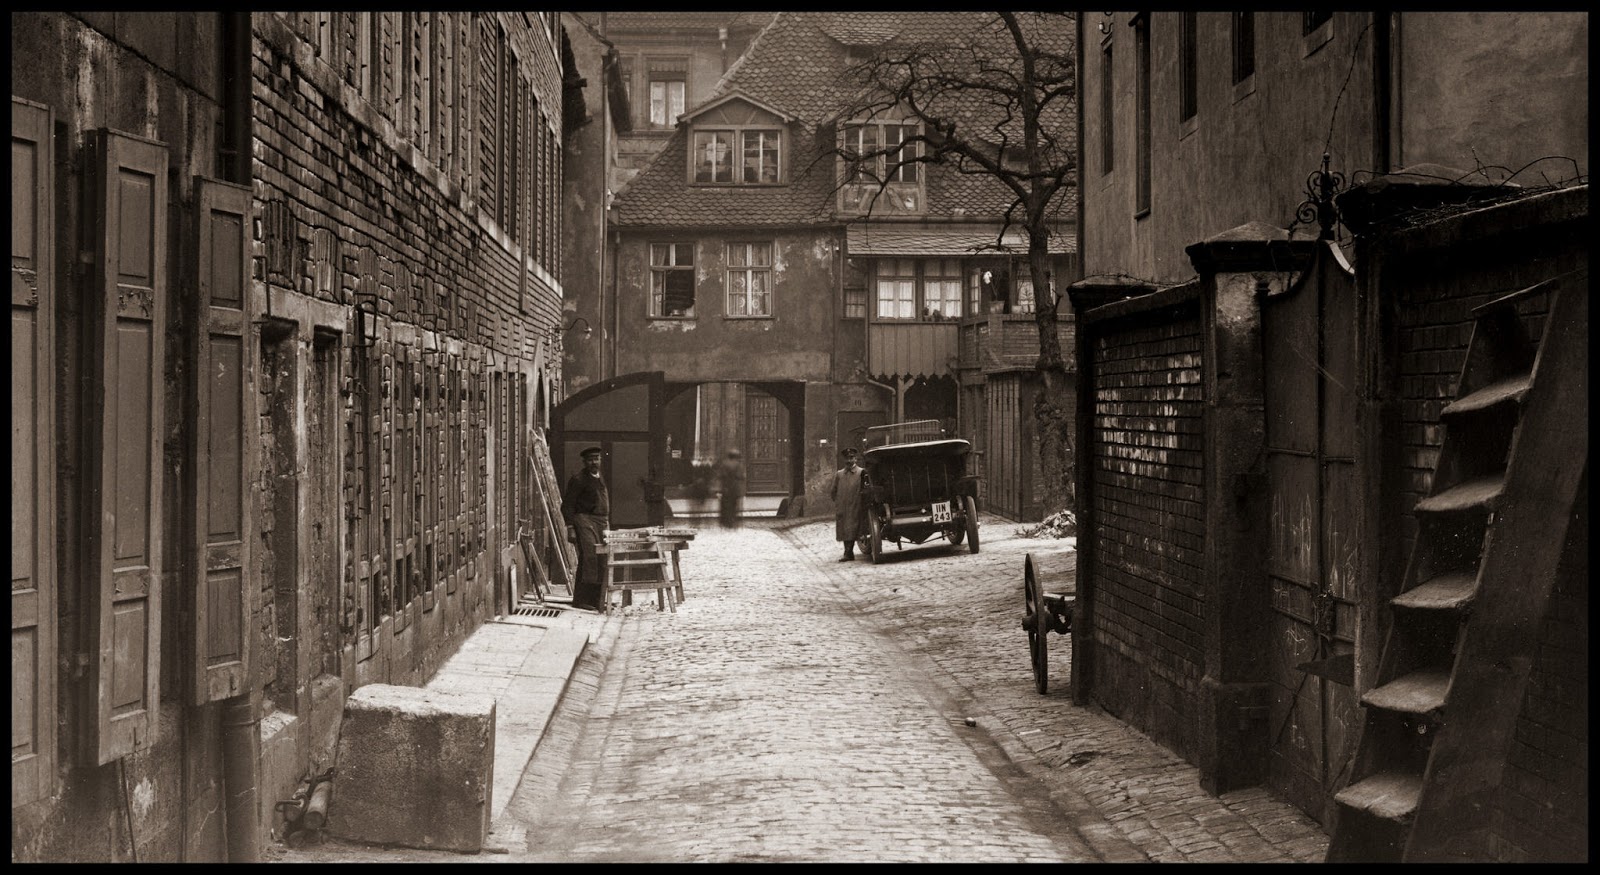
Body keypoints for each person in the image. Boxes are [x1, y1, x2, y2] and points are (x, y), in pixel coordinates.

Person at [561, 446, 609, 611]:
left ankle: (597, 600)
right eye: (590, 460)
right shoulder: (578, 479)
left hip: (601, 522)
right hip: (584, 520)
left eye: (596, 459)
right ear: (584, 462)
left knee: (602, 558)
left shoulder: (599, 477)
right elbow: (567, 506)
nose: (593, 462)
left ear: (600, 460)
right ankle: (582, 599)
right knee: (590, 557)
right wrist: (570, 528)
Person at [829, 447, 865, 560]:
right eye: (847, 459)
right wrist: (839, 503)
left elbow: (865, 490)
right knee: (844, 529)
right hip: (843, 508)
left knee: (853, 528)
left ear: (856, 459)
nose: (849, 461)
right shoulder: (839, 474)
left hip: (856, 506)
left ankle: (848, 553)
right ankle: (848, 552)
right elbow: (833, 491)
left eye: (851, 458)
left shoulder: (861, 473)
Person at [715, 448, 746, 529]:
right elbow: (741, 477)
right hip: (735, 489)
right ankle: (732, 524)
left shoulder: (724, 464)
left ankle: (725, 523)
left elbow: (720, 476)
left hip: (725, 488)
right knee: (734, 506)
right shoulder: (739, 465)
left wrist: (719, 490)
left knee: (725, 506)